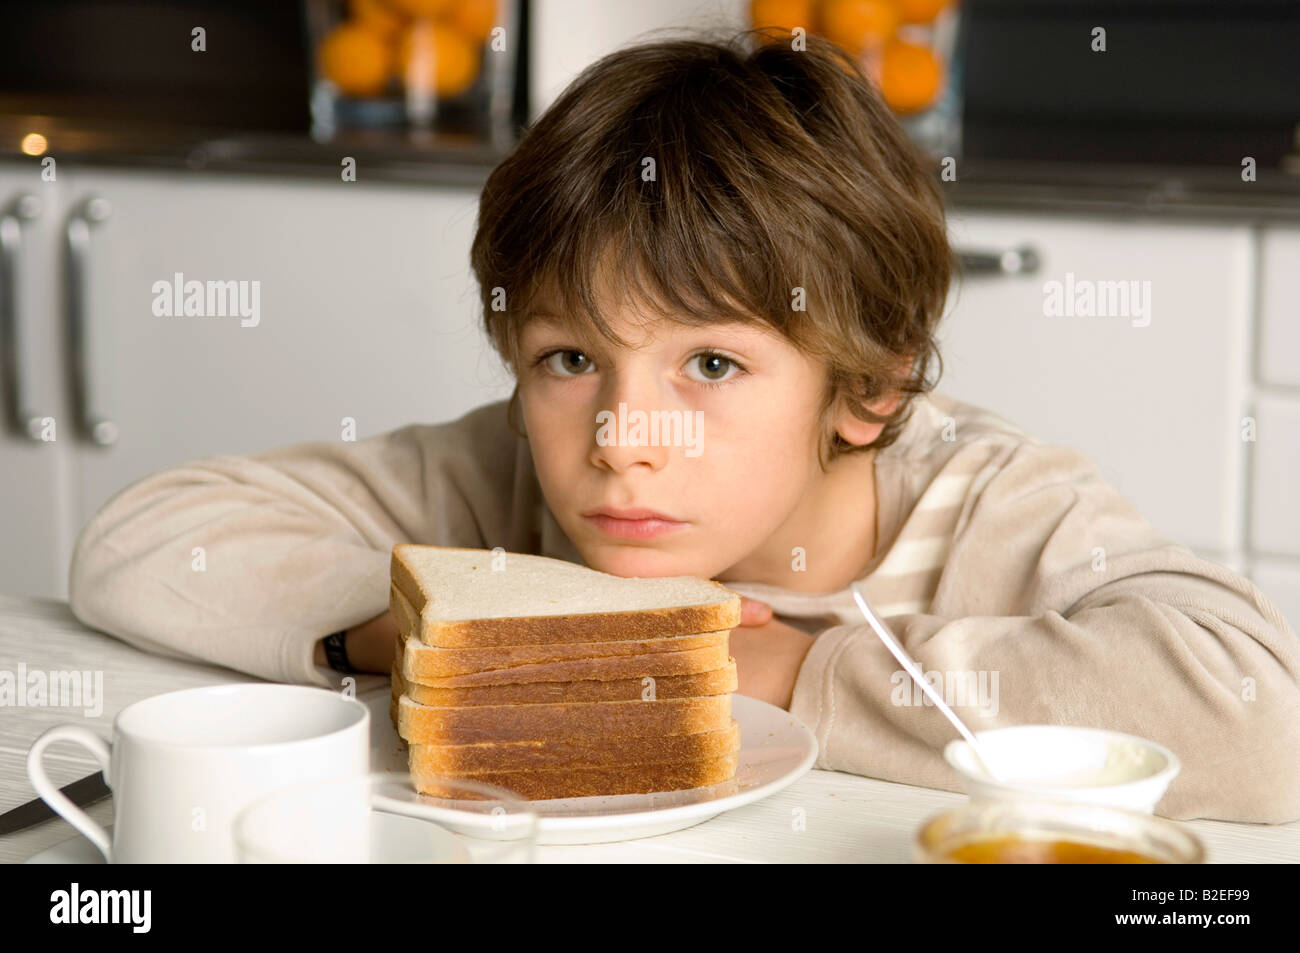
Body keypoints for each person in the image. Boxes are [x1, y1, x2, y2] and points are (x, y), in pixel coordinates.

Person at [68, 31, 1299, 823]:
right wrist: (445, 627)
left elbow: (1258, 714)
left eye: (711, 360)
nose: (620, 435)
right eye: (569, 357)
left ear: (865, 388)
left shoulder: (981, 501)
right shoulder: (503, 478)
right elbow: (143, 537)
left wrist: (770, 665)